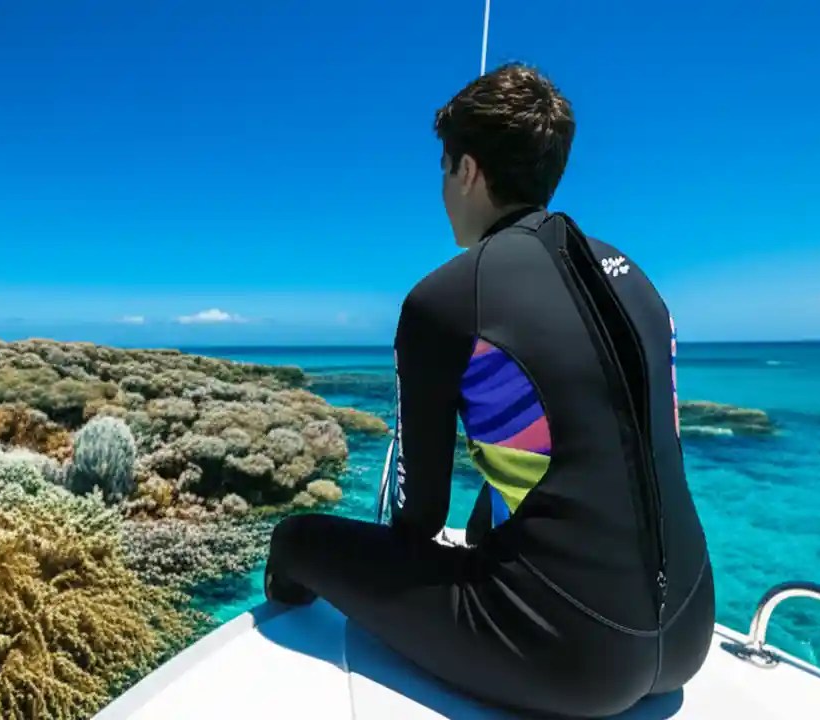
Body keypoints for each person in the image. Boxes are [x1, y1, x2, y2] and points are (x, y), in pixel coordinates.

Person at [264, 63, 715, 718]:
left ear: (468, 171)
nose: (443, 189)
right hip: (690, 635)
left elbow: (418, 521)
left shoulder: (444, 298)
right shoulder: (636, 280)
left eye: (444, 169)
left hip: (571, 662)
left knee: (298, 540)